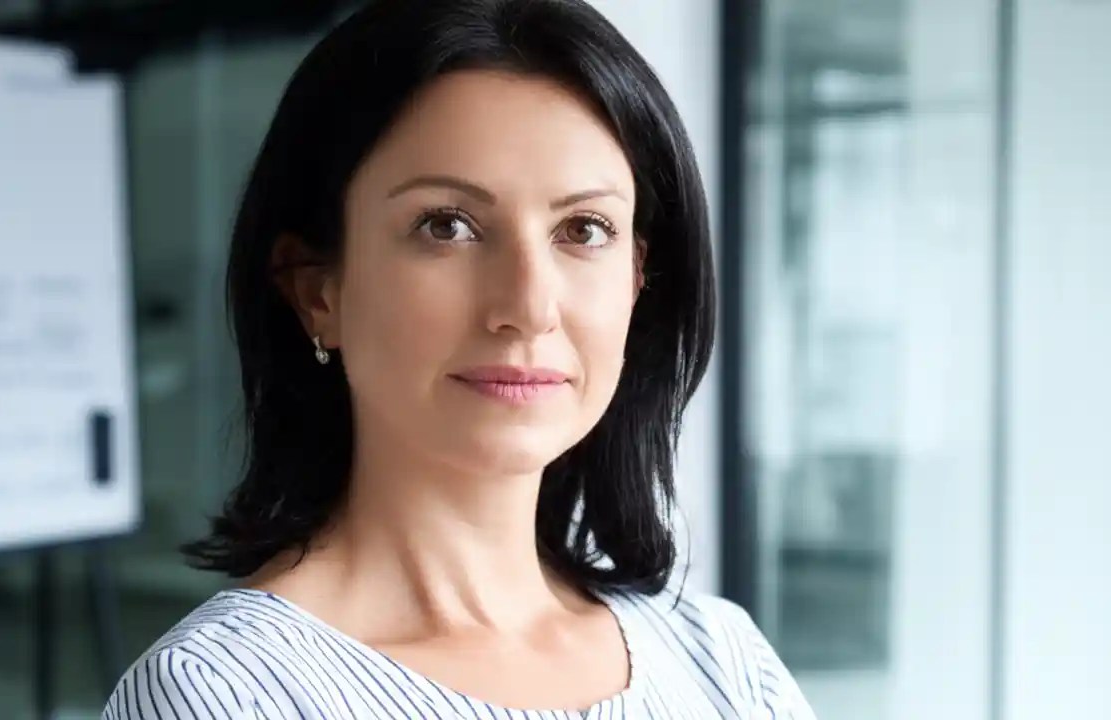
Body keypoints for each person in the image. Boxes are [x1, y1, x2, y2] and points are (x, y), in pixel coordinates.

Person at [104, 0, 815, 717]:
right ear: (317, 290)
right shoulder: (218, 695)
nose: (530, 306)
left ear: (638, 279)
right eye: (448, 226)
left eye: (584, 229)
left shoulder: (721, 659)